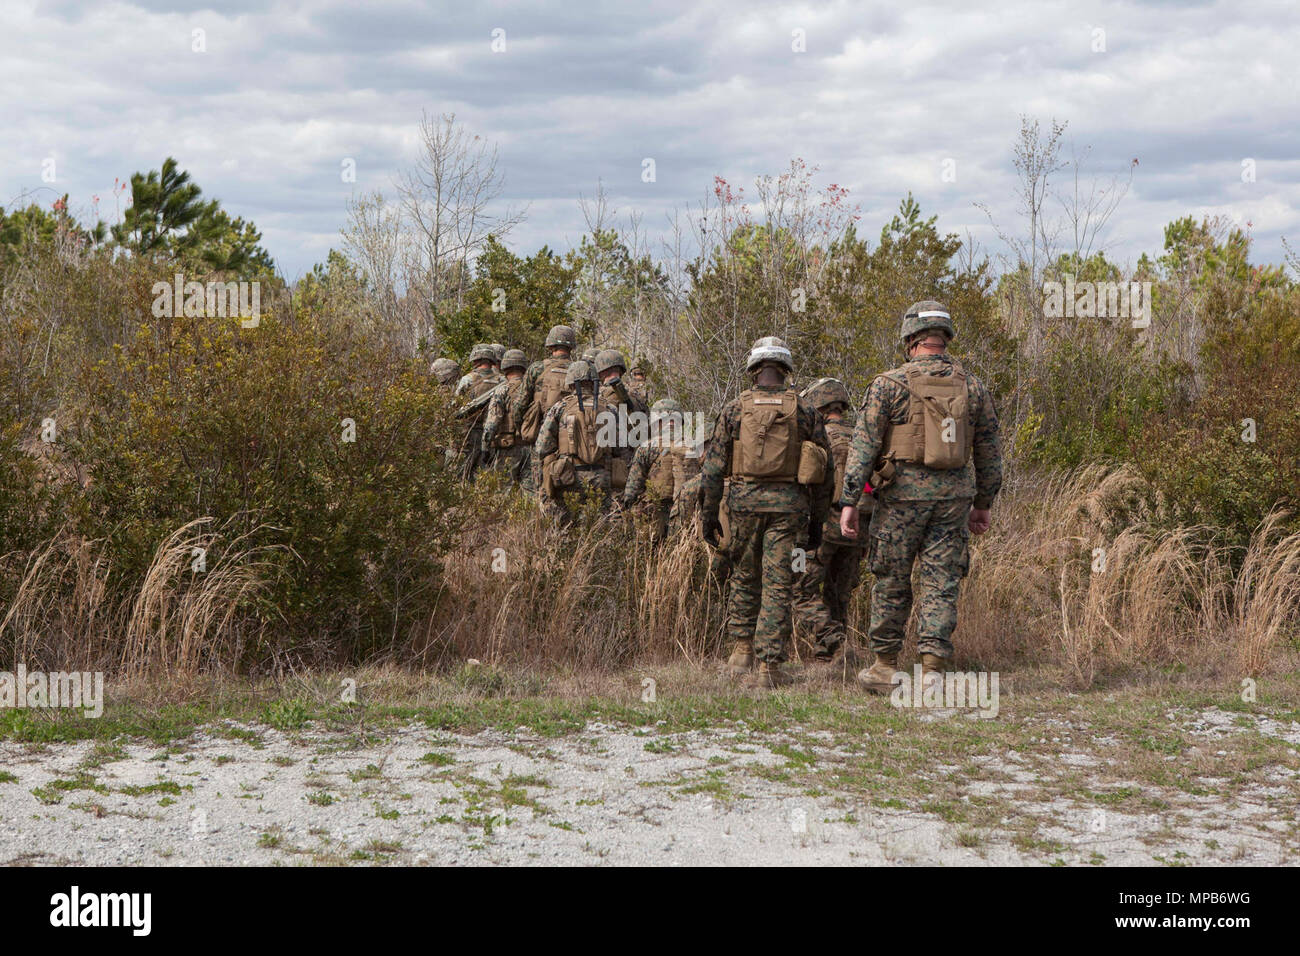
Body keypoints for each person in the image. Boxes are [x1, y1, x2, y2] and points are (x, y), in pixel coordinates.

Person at [838, 300, 1002, 693]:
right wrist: (983, 503)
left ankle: (884, 667)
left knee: (891, 578)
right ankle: (932, 670)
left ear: (911, 338)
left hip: (900, 500)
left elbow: (863, 448)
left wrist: (850, 502)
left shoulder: (888, 384)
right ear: (944, 338)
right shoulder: (972, 386)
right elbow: (990, 453)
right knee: (942, 581)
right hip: (954, 501)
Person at [697, 337, 835, 689]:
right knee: (778, 584)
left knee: (743, 576)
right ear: (785, 369)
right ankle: (769, 667)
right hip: (789, 509)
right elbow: (824, 471)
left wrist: (709, 516)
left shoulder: (734, 409)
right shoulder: (805, 411)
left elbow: (712, 470)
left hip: (743, 504)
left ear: (754, 370)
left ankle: (741, 653)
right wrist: (818, 523)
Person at [794, 378, 871, 673]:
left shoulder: (817, 438)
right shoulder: (863, 436)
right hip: (858, 529)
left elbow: (807, 484)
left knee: (798, 589)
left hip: (820, 529)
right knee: (839, 594)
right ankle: (831, 659)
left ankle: (832, 639)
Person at [532, 360, 617, 525]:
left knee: (567, 526)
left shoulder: (560, 407)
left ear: (570, 382)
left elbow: (542, 446)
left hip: (569, 476)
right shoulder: (610, 409)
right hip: (602, 476)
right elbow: (622, 448)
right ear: (595, 382)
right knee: (599, 527)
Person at [621, 398, 692, 545]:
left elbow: (633, 488)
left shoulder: (647, 448)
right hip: (685, 513)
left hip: (654, 513)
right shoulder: (692, 447)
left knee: (650, 553)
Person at [513, 325, 575, 447]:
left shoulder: (537, 368)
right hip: (571, 433)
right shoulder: (579, 370)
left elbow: (520, 404)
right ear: (571, 346)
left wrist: (523, 427)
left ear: (550, 346)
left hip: (542, 434)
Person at [481, 349, 532, 486]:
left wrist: (485, 448)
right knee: (531, 493)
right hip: (530, 448)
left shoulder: (502, 390)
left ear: (505, 367)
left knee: (502, 492)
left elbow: (492, 423)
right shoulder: (533, 389)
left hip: (508, 449)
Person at [453, 344, 504, 480]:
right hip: (493, 434)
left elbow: (455, 407)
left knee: (463, 473)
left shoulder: (467, 379)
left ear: (476, 359)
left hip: (468, 432)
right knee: (487, 474)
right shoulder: (502, 380)